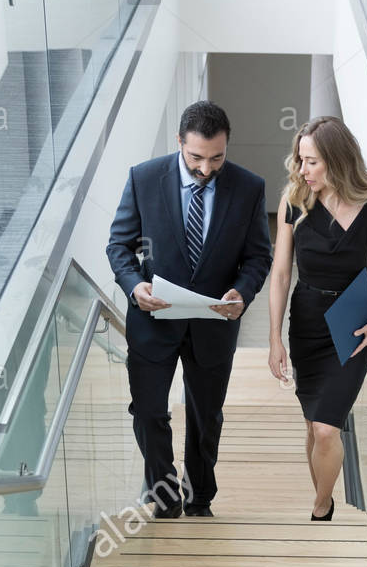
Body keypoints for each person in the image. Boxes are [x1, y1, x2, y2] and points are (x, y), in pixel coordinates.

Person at [106, 101, 272, 518]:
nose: (206, 168)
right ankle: (163, 497)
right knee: (148, 413)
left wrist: (242, 292)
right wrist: (133, 285)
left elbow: (258, 257)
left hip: (214, 324)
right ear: (180, 141)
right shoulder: (144, 179)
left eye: (217, 157)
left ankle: (200, 497)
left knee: (205, 417)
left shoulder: (248, 187)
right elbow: (119, 247)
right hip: (152, 320)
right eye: (196, 157)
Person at [268, 116, 367, 520]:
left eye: (312, 162)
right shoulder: (294, 203)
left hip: (354, 325)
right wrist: (275, 338)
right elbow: (282, 274)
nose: (302, 171)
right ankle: (323, 493)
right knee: (312, 426)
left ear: (337, 161)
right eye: (300, 161)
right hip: (307, 320)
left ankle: (322, 506)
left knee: (327, 428)